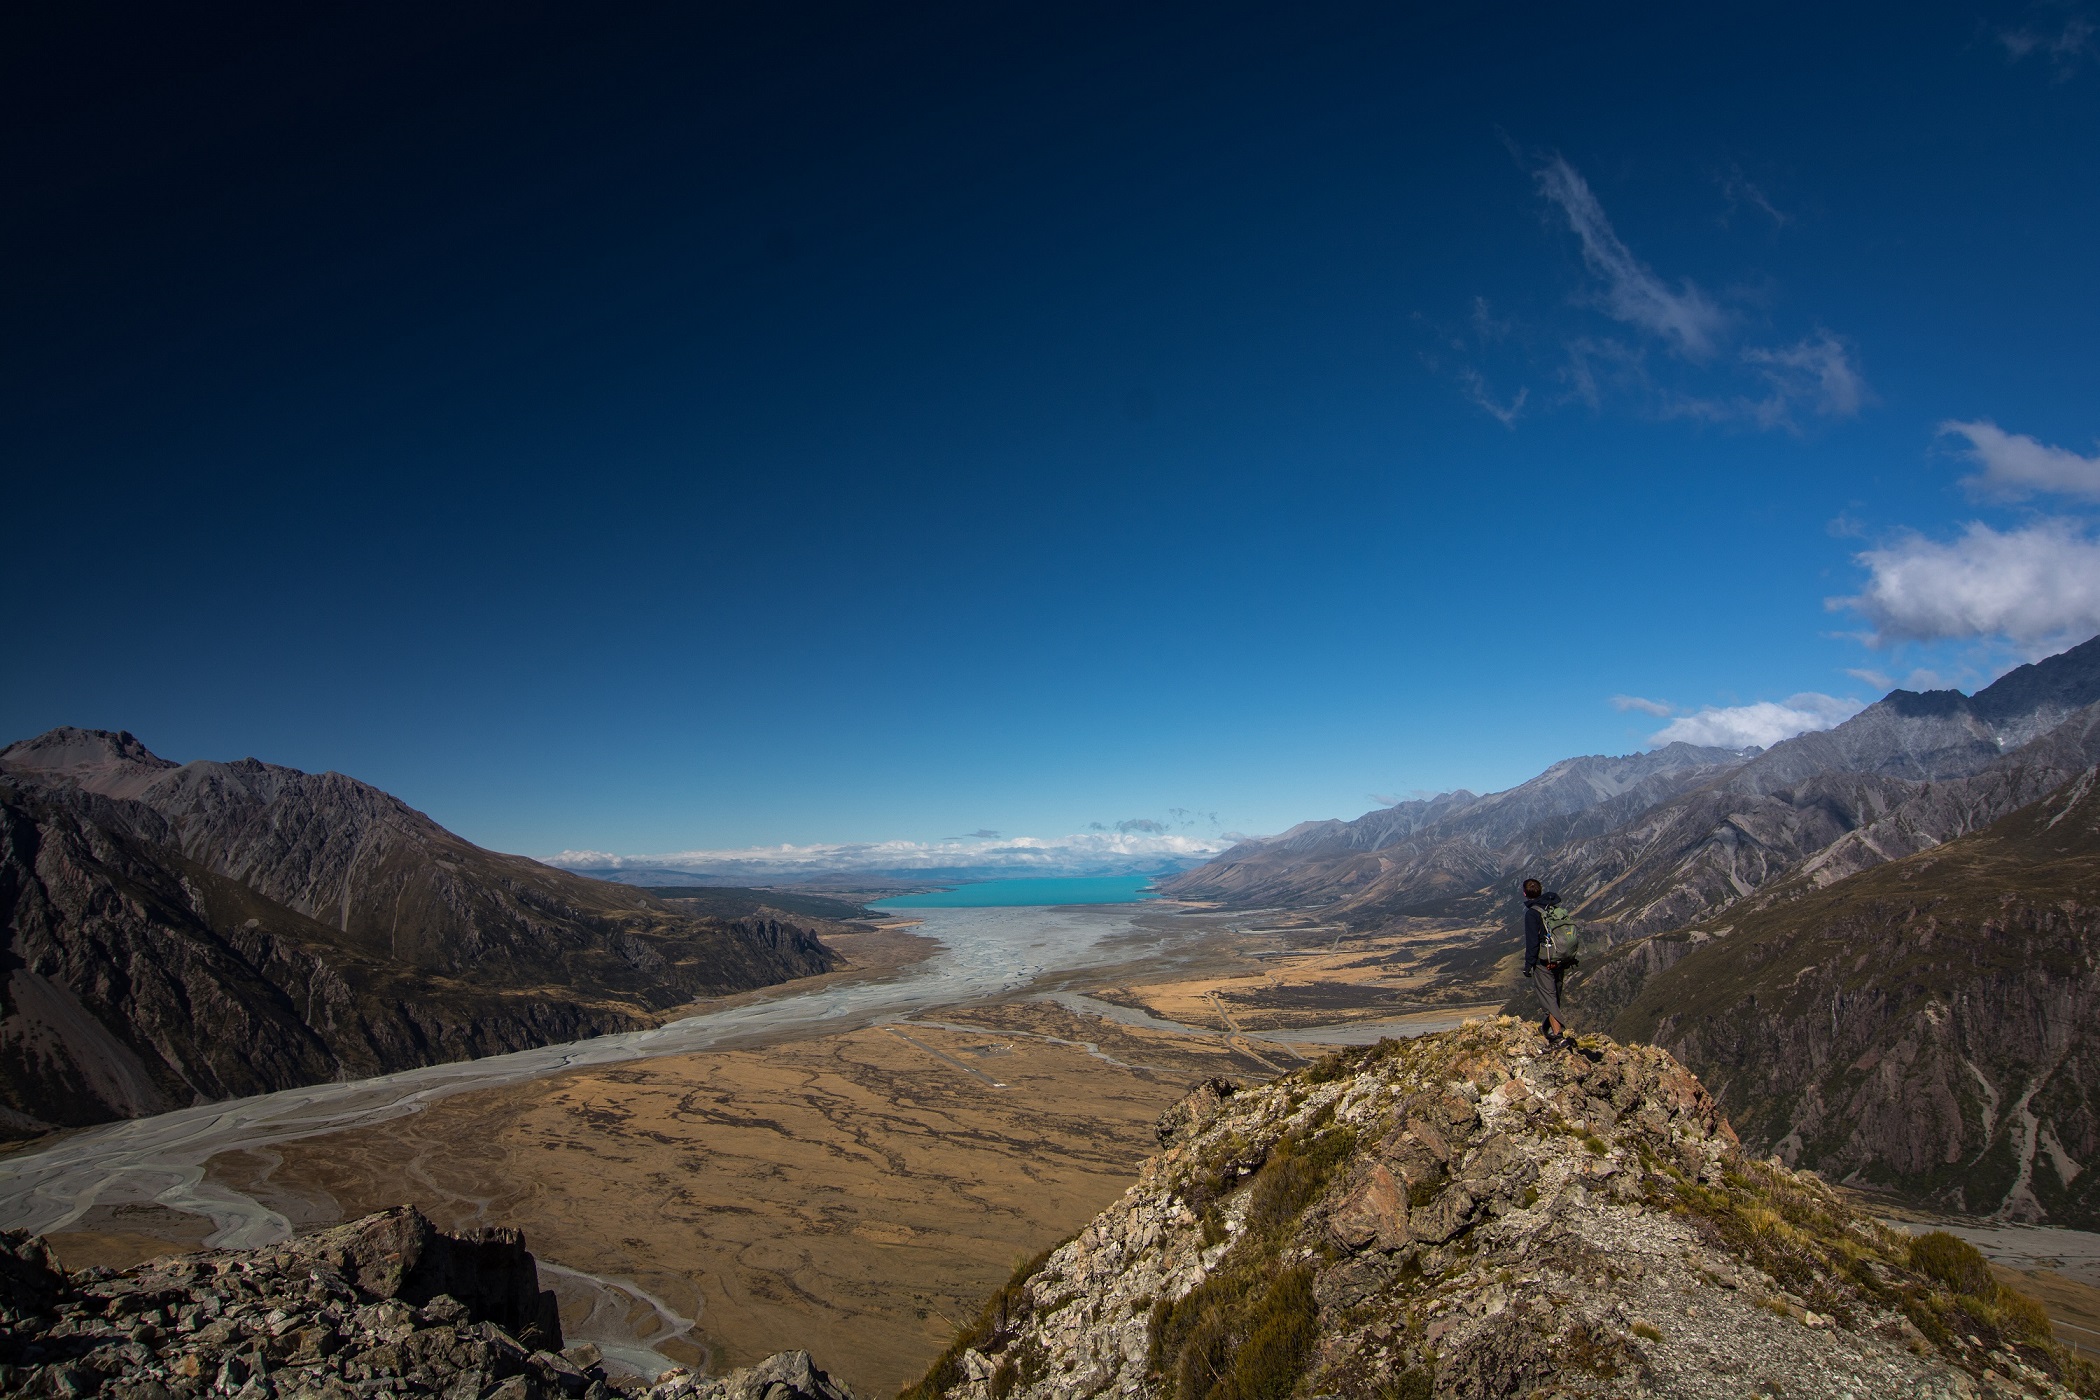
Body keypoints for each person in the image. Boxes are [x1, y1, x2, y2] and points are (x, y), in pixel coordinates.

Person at [1521, 877, 1569, 1045]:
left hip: (1544, 961)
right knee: (1555, 994)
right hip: (1560, 957)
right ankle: (1548, 1028)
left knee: (1548, 998)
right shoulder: (1553, 908)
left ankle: (1558, 1036)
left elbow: (1532, 942)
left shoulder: (1532, 914)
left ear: (1525, 893)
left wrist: (1529, 964)